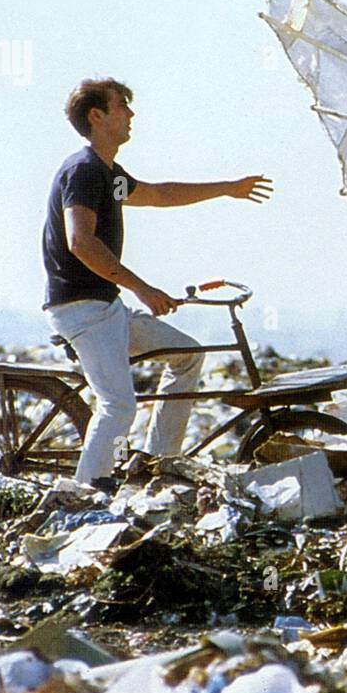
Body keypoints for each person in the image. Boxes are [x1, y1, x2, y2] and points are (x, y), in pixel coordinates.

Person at [41, 78, 272, 489]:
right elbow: (81, 242)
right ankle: (83, 498)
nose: (131, 115)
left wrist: (227, 189)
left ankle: (157, 467)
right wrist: (142, 289)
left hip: (104, 306)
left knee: (187, 354)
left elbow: (159, 194)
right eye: (122, 106)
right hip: (81, 308)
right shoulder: (84, 171)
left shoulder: (108, 173)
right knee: (117, 406)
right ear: (97, 116)